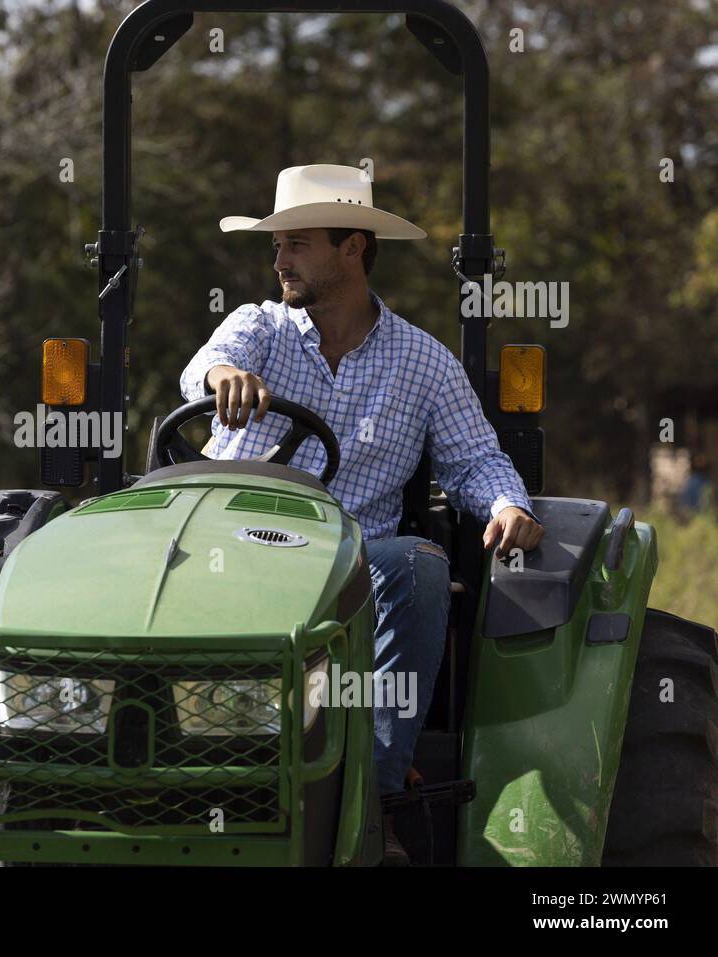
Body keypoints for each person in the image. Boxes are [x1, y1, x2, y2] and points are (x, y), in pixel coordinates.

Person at [180, 164, 544, 863]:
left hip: (345, 571)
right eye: (277, 245)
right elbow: (212, 362)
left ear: (354, 248)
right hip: (229, 543)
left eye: (299, 244)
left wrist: (509, 505)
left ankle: (370, 803)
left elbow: (474, 460)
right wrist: (222, 376)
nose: (280, 259)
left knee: (416, 561)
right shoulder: (258, 327)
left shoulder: (425, 363)